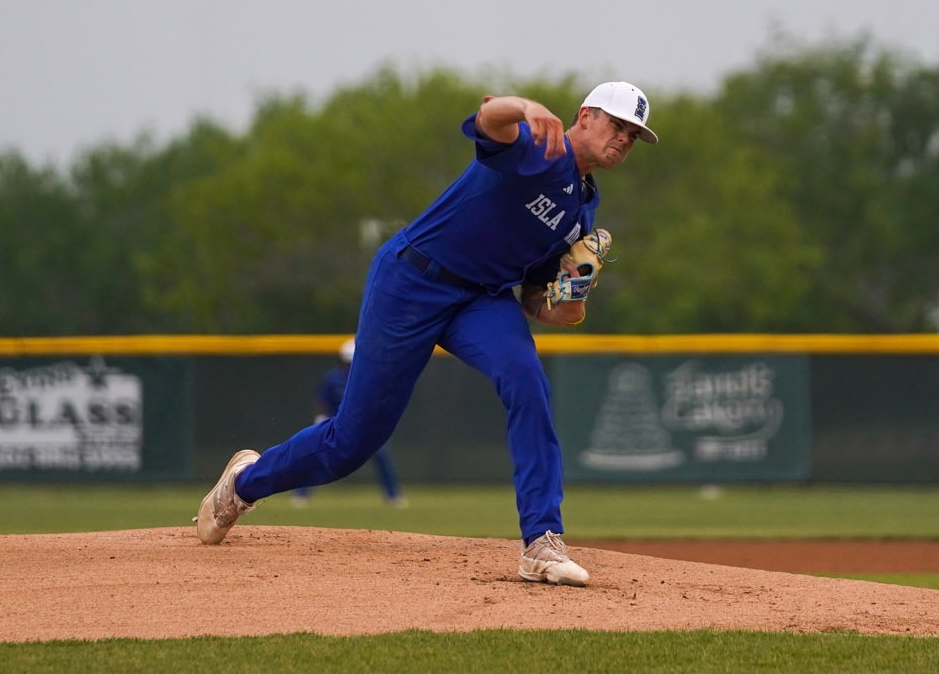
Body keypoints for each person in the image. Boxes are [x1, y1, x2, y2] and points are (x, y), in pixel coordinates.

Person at [196, 81, 659, 587]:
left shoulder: (583, 210)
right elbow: (488, 120)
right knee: (352, 442)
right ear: (586, 116)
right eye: (618, 125)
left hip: (480, 299)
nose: (624, 140)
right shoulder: (539, 149)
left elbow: (534, 302)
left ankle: (542, 543)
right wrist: (524, 106)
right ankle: (244, 485)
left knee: (527, 381)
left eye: (633, 136)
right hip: (412, 280)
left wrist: (569, 302)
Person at [290, 338, 406, 507]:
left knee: (382, 456)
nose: (349, 365)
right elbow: (322, 401)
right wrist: (321, 418)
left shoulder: (368, 377)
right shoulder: (332, 378)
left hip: (363, 426)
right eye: (346, 362)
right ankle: (301, 494)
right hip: (336, 425)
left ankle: (393, 495)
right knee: (315, 455)